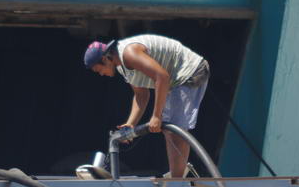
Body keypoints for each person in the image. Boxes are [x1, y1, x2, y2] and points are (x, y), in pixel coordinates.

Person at [84, 34, 210, 178]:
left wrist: (156, 116)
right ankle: (177, 178)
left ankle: (177, 182)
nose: (100, 74)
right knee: (171, 129)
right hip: (174, 79)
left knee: (174, 130)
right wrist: (130, 124)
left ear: (106, 58)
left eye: (98, 69)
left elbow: (162, 77)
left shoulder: (128, 53)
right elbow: (141, 96)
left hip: (190, 71)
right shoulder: (122, 67)